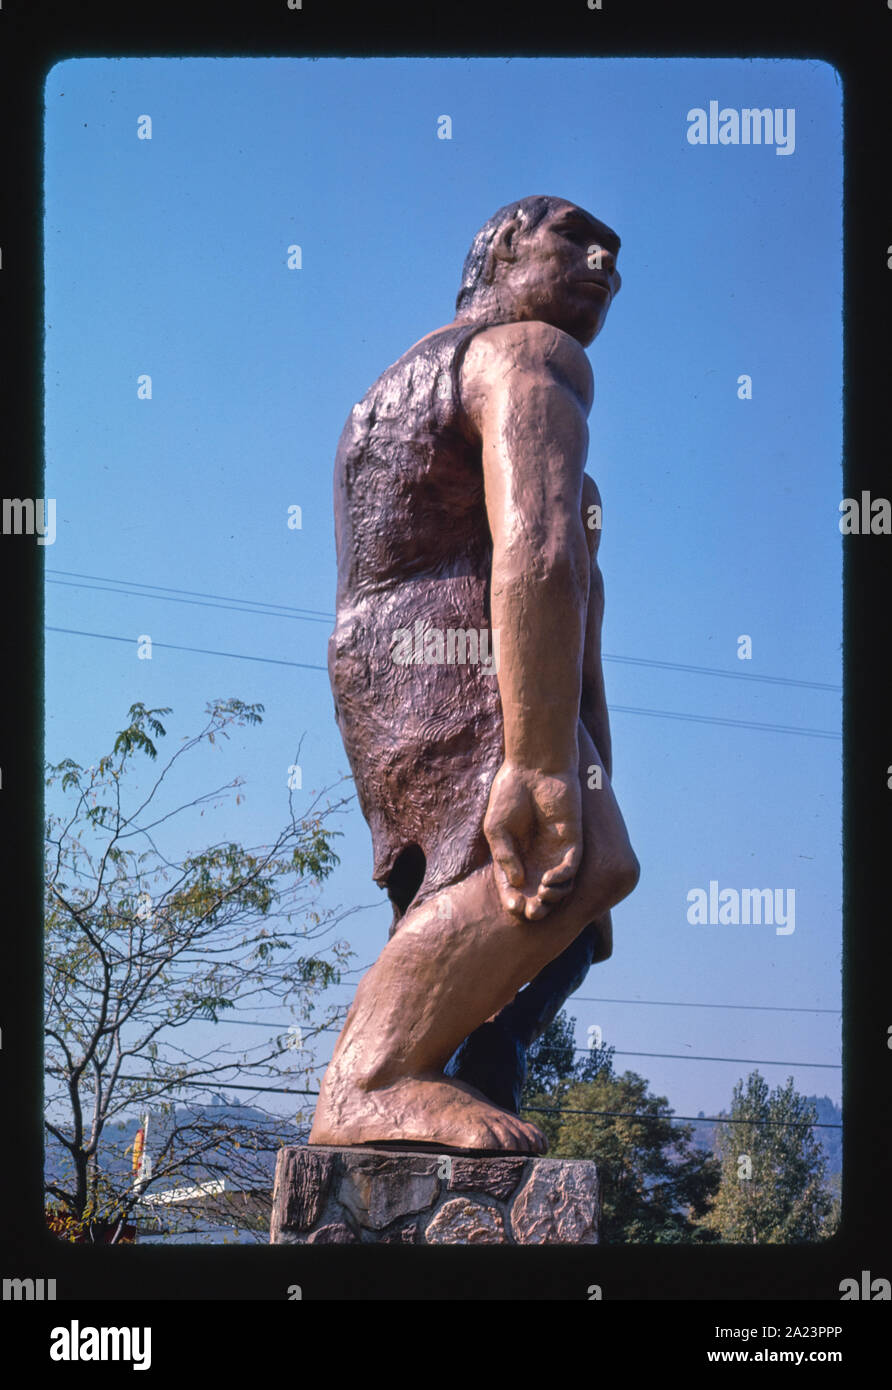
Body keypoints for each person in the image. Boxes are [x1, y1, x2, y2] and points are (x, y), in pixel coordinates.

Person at [310, 196, 639, 1153]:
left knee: (567, 917)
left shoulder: (410, 380)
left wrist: (584, 774)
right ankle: (373, 1080)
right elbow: (535, 554)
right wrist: (541, 767)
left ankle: (452, 1069)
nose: (602, 259)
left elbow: (578, 620)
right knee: (580, 869)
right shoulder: (525, 354)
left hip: (403, 659)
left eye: (610, 253)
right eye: (573, 237)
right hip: (454, 647)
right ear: (501, 247)